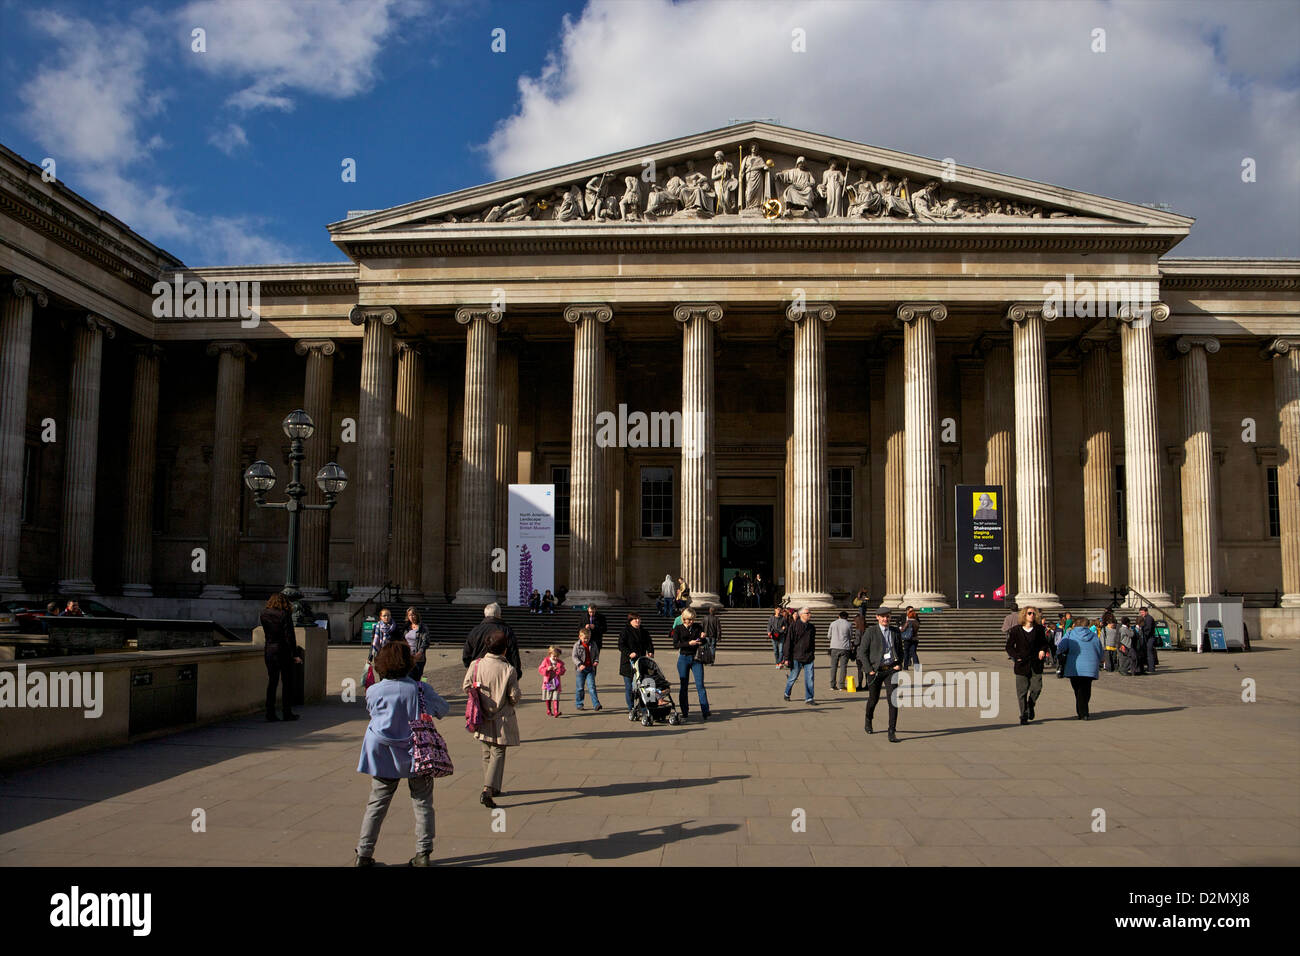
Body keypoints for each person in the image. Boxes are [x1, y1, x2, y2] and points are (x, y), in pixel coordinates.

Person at [354, 639, 448, 866]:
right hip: (417, 751)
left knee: (376, 803)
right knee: (422, 802)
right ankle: (423, 853)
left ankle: (363, 854)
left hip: (382, 751)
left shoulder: (374, 691)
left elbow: (373, 714)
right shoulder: (420, 688)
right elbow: (443, 709)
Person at [463, 628, 521, 808]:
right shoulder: (508, 669)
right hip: (502, 716)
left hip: (481, 714)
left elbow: (466, 686)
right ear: (504, 649)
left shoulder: (476, 664)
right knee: (498, 751)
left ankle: (494, 786)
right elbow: (514, 696)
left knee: (486, 751)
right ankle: (488, 789)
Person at [860, 607, 904, 741]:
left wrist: (899, 663)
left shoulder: (895, 632)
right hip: (876, 671)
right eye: (883, 616)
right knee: (873, 699)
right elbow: (862, 652)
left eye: (888, 616)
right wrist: (869, 670)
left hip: (891, 669)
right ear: (877, 617)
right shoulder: (871, 631)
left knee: (893, 700)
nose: (886, 619)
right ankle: (868, 719)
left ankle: (892, 730)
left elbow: (900, 650)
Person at [260, 593, 301, 722]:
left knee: (272, 682)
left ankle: (270, 712)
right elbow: (289, 636)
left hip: (269, 650)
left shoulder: (264, 614)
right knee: (287, 683)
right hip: (283, 651)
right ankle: (286, 712)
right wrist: (295, 654)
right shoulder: (284, 615)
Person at [1005, 606, 1049, 724]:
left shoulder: (1039, 629)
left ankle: (1030, 705)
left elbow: (1044, 643)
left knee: (1037, 688)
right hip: (1021, 664)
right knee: (1022, 691)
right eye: (1029, 613)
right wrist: (1016, 656)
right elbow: (1009, 646)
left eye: (1034, 614)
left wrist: (1042, 650)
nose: (1032, 615)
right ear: (1024, 615)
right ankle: (1023, 715)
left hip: (1036, 663)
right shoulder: (1016, 630)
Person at [462, 603, 522, 679]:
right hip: (501, 672)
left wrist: (472, 668)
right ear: (498, 615)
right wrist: (516, 673)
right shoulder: (506, 630)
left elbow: (466, 654)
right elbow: (513, 654)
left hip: (479, 672)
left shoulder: (475, 631)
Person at [1059, 617, 1103, 719]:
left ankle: (1083, 712)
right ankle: (1083, 711)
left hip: (1074, 667)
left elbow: (1061, 647)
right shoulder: (1093, 635)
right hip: (1090, 666)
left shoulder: (1070, 634)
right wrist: (1101, 659)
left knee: (1077, 689)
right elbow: (1099, 649)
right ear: (1087, 625)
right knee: (1086, 688)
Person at [671, 608, 711, 720]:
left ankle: (705, 710)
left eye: (693, 619)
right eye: (689, 619)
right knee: (684, 686)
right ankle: (684, 711)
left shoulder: (697, 627)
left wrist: (702, 638)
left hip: (696, 659)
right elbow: (676, 644)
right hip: (683, 658)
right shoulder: (678, 629)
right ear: (684, 619)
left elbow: (703, 642)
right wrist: (689, 643)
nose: (692, 621)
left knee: (700, 685)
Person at [618, 613, 655, 714]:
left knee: (643, 686)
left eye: (639, 619)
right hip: (628, 663)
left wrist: (650, 651)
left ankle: (643, 707)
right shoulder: (625, 631)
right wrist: (629, 653)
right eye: (635, 619)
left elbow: (649, 643)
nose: (637, 621)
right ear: (630, 621)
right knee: (629, 687)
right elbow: (621, 645)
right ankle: (631, 708)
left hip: (641, 662)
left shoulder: (644, 631)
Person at [781, 606, 817, 705]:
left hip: (809, 657)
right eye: (807, 613)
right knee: (793, 676)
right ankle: (787, 692)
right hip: (796, 656)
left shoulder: (812, 627)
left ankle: (809, 698)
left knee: (809, 678)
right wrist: (787, 658)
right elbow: (788, 642)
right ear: (801, 615)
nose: (810, 614)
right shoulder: (794, 626)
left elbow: (812, 642)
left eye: (809, 613)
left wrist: (812, 653)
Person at [571, 625, 602, 711]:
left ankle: (596, 704)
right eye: (584, 638)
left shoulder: (593, 644)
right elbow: (574, 657)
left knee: (592, 687)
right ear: (580, 637)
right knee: (580, 687)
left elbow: (596, 654)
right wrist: (579, 664)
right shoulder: (577, 645)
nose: (586, 640)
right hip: (580, 670)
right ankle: (579, 704)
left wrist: (596, 661)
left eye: (588, 638)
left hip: (590, 669)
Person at [827, 610, 854, 691]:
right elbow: (850, 636)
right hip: (845, 647)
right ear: (847, 617)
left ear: (839, 616)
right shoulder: (849, 624)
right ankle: (841, 685)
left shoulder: (833, 623)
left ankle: (832, 685)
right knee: (843, 667)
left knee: (833, 666)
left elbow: (829, 636)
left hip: (834, 647)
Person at [402, 607, 429, 681]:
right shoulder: (406, 627)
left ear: (417, 615)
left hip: (418, 657)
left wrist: (420, 652)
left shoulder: (422, 627)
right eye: (410, 615)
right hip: (407, 657)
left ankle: (420, 691)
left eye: (413, 614)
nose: (412, 617)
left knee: (417, 678)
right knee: (408, 677)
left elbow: (425, 641)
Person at [538, 646, 566, 717]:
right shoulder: (546, 661)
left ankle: (556, 711)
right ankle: (548, 710)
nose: (556, 658)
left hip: (556, 682)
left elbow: (563, 671)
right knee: (548, 697)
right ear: (550, 654)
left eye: (557, 656)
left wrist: (558, 670)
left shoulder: (559, 663)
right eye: (554, 656)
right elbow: (540, 669)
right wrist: (547, 669)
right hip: (548, 682)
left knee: (556, 697)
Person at [1137, 607, 1158, 674]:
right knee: (1148, 652)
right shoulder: (1145, 618)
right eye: (1140, 612)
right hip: (1148, 637)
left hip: (1150, 638)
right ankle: (1150, 667)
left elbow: (1148, 629)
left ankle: (1151, 668)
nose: (1141, 614)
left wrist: (1143, 634)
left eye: (1142, 612)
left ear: (1146, 612)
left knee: (1149, 652)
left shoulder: (1149, 618)